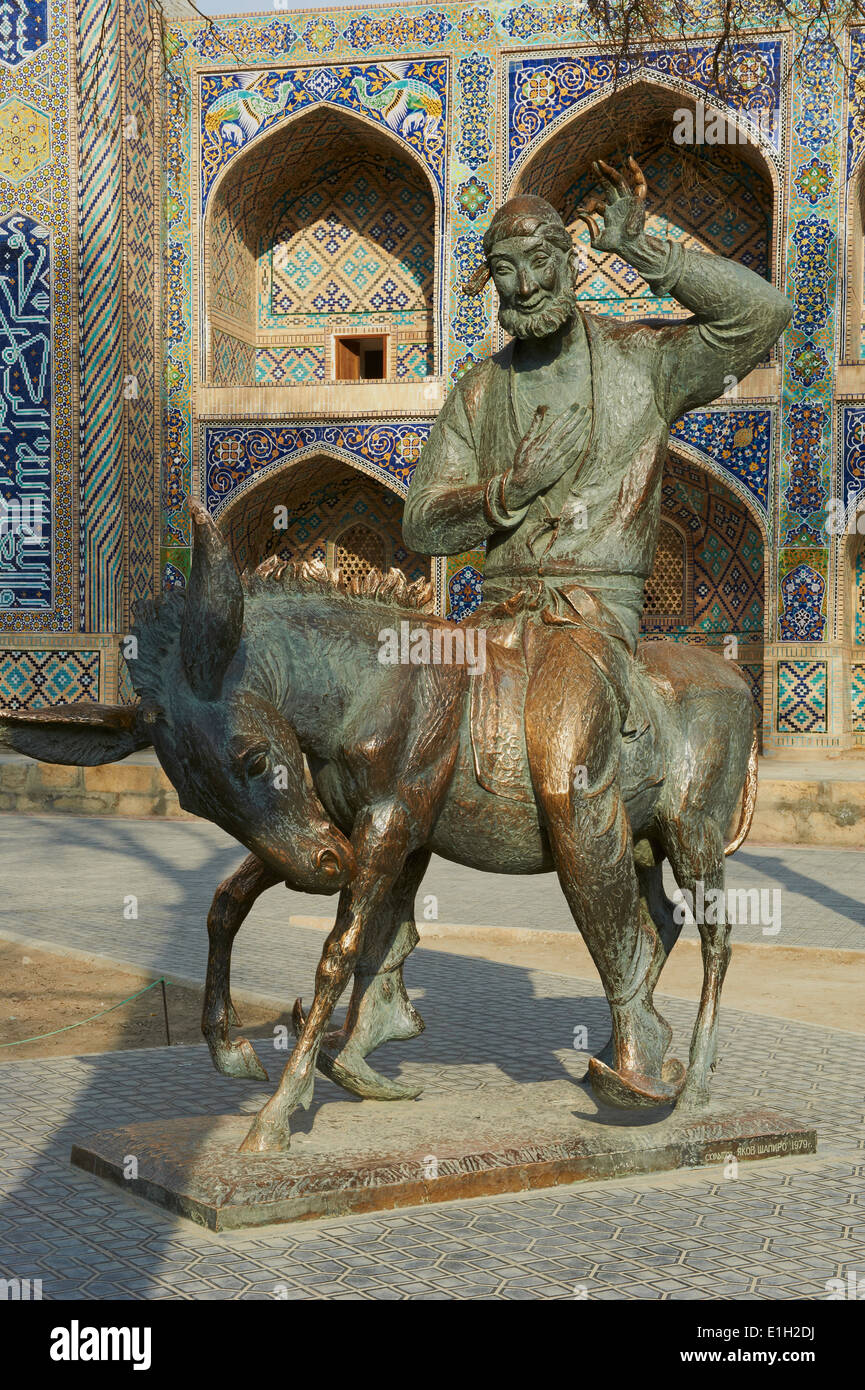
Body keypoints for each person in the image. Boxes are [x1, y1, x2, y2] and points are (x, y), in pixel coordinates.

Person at [403, 157, 792, 1106]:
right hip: (491, 622)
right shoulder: (478, 392)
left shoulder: (640, 364)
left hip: (585, 622)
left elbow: (763, 318)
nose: (525, 286)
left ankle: (632, 1012)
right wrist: (504, 493)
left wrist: (648, 250)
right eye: (505, 270)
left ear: (571, 263)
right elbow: (421, 523)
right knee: (374, 726)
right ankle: (374, 986)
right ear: (487, 277)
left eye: (540, 263)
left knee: (564, 758)